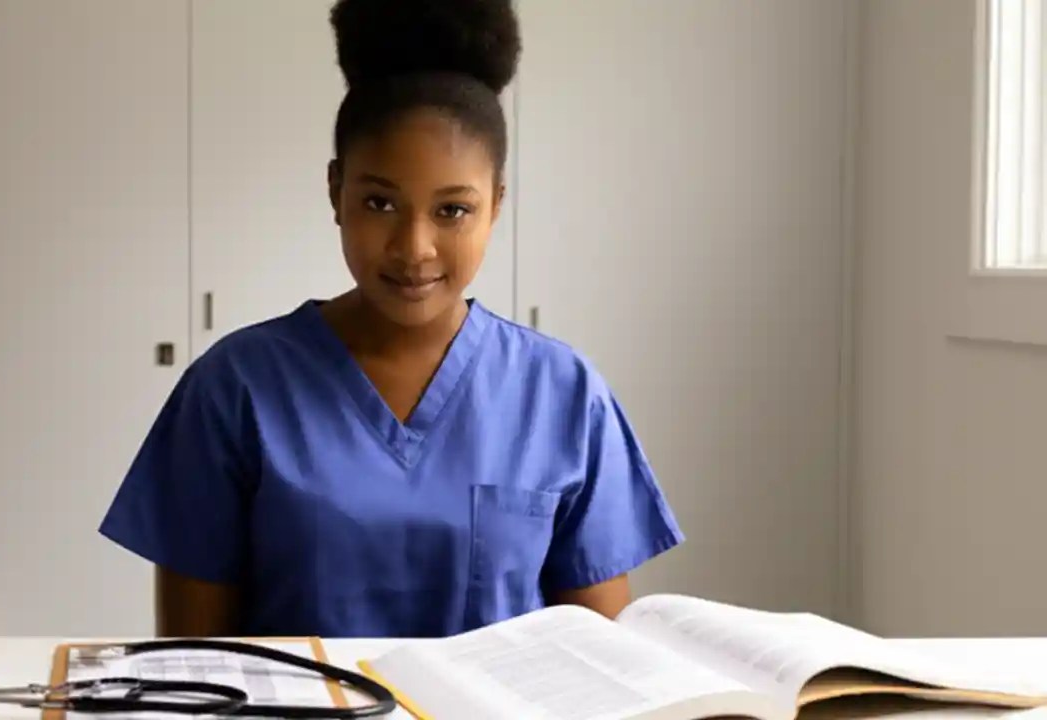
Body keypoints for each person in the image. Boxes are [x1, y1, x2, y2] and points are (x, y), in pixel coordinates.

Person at [99, 0, 683, 640]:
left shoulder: (564, 393)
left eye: (453, 210)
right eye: (380, 202)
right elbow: (194, 665)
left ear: (496, 206)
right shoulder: (234, 388)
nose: (415, 248)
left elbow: (605, 667)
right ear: (335, 193)